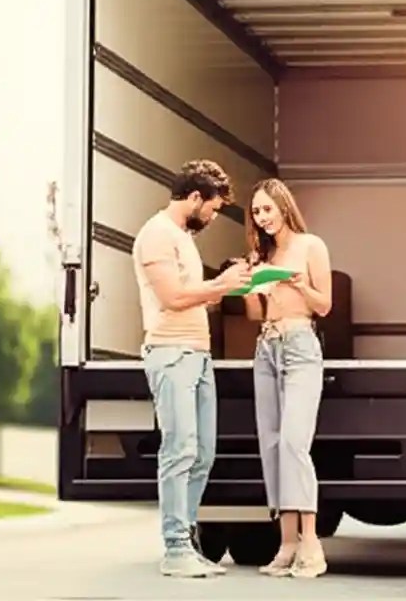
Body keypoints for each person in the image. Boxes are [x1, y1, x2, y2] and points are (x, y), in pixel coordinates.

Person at [132, 159, 252, 578]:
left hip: (197, 356)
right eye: (213, 209)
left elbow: (197, 295)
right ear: (195, 197)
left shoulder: (181, 237)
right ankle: (175, 548)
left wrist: (230, 284)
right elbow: (172, 297)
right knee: (179, 450)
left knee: (202, 454)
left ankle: (187, 540)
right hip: (171, 353)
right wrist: (222, 285)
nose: (213, 217)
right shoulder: (156, 236)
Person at [243, 178, 333, 579]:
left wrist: (299, 283)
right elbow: (253, 316)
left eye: (266, 209)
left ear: (283, 205)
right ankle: (287, 543)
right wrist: (247, 285)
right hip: (267, 348)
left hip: (300, 345)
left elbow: (325, 305)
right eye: (256, 212)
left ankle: (311, 544)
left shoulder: (311, 246)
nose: (262, 218)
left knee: (296, 443)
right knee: (273, 445)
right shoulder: (261, 254)